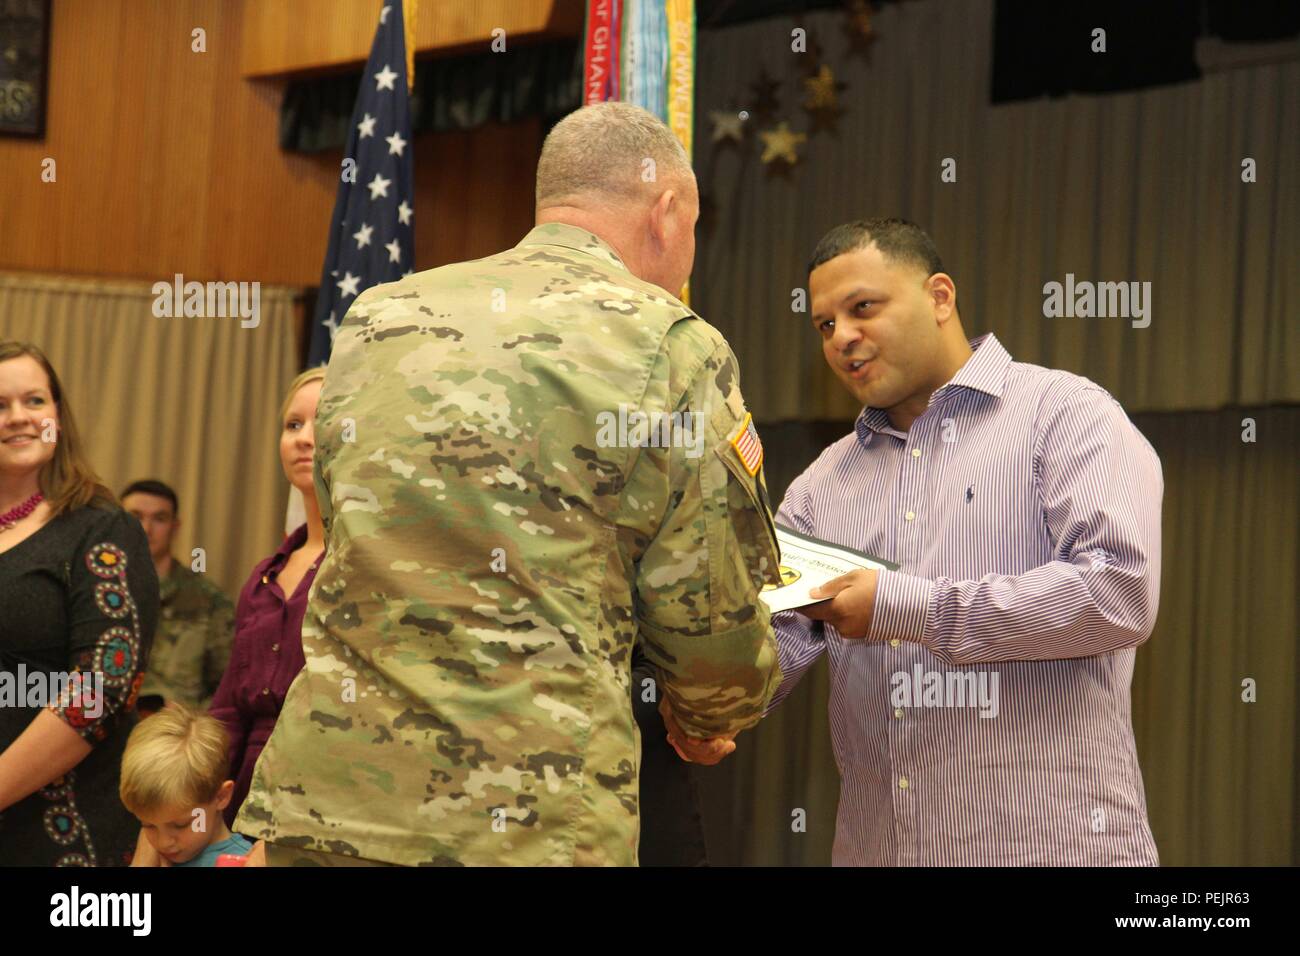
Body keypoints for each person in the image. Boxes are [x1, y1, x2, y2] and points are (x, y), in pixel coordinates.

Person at [237, 101, 782, 867]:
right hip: (527, 820)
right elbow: (704, 601)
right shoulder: (670, 345)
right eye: (693, 229)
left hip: (329, 804)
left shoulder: (376, 320)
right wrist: (712, 710)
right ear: (665, 212)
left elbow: (341, 525)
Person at [763, 218, 1162, 865]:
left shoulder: (1063, 414)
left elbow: (1117, 592)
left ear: (940, 297)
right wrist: (688, 688)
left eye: (862, 307)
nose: (842, 339)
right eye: (825, 325)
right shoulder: (817, 490)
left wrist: (905, 607)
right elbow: (766, 654)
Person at [0, 341, 159, 866]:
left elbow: (102, 686)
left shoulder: (100, 527)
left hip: (62, 832)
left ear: (59, 417)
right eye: (0, 405)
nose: (18, 417)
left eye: (34, 401)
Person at [207, 368, 325, 829]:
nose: (303, 439)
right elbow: (227, 712)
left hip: (318, 801)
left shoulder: (361, 564)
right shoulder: (265, 574)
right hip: (238, 801)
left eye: (322, 422)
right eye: (293, 425)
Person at [122, 479, 234, 713]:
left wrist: (189, 717)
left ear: (175, 526)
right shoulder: (94, 591)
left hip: (176, 739)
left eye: (159, 518)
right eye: (136, 516)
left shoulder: (208, 601)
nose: (146, 528)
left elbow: (229, 688)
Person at [121, 703, 253, 866]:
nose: (164, 842)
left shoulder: (245, 862)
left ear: (220, 797)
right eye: (148, 825)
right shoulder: (152, 854)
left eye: (181, 825)